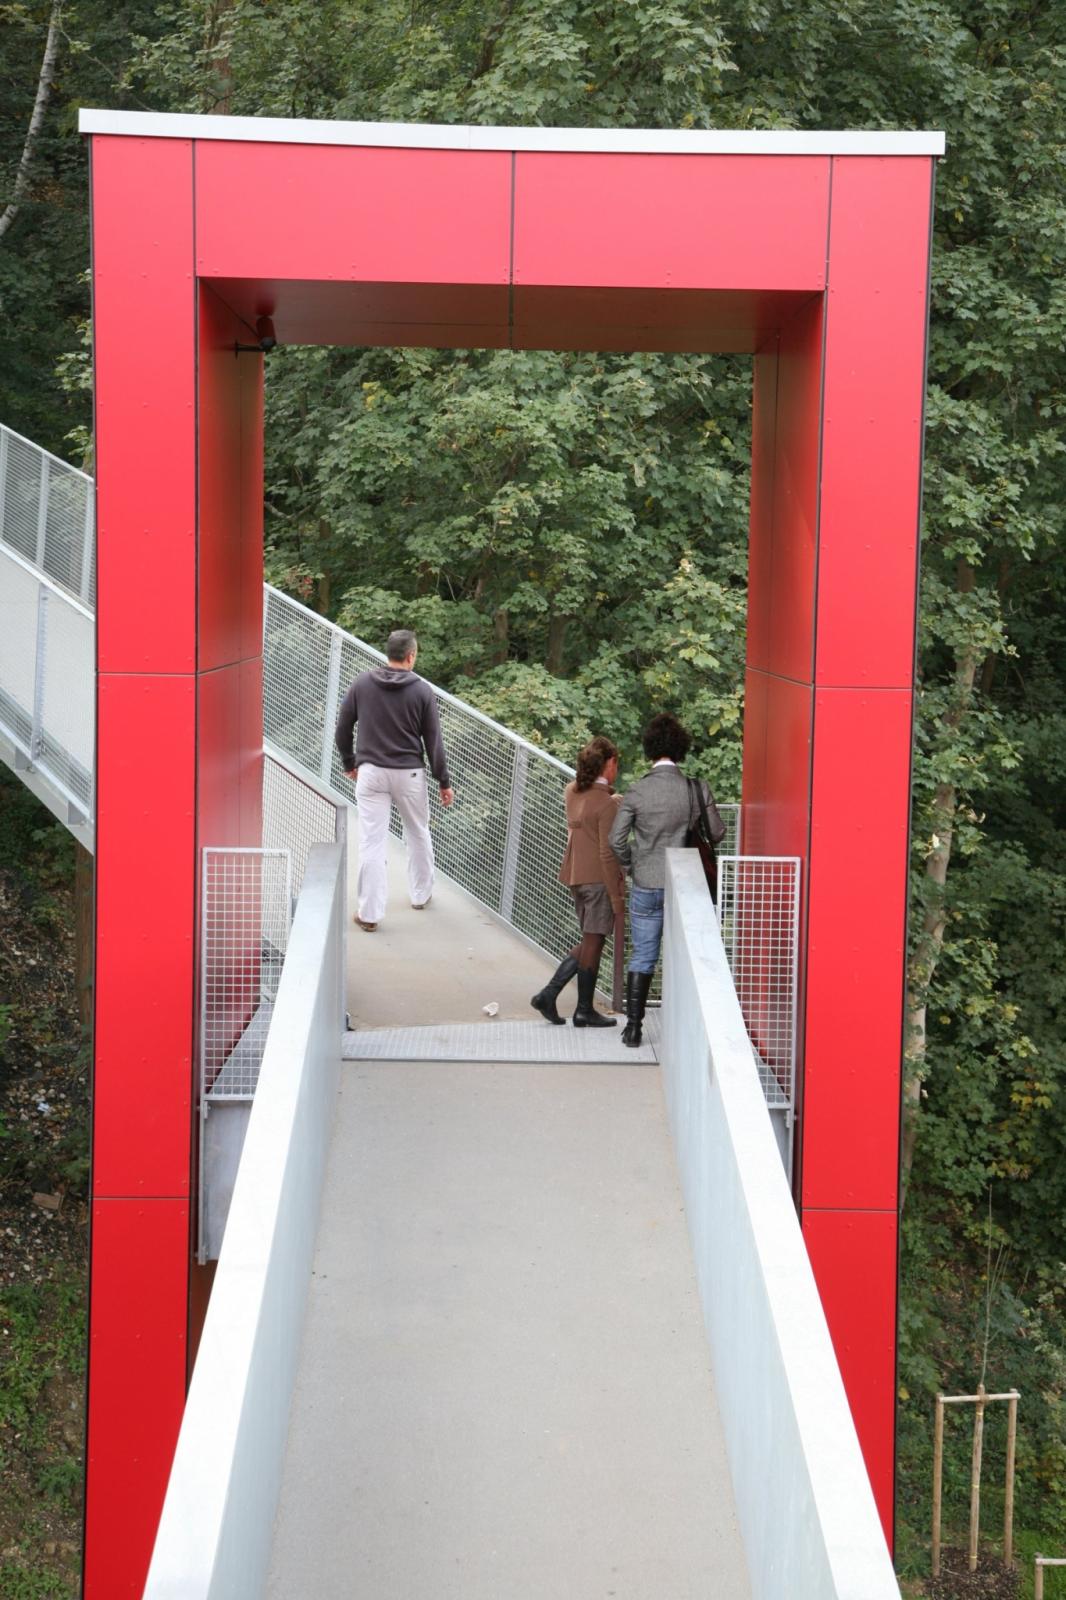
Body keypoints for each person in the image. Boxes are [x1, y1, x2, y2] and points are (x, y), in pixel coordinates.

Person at [608, 712, 725, 1047]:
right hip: (687, 886)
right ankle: (687, 1027)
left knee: (644, 953)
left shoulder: (637, 791)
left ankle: (633, 1028)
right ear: (680, 749)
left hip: (646, 883)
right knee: (687, 954)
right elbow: (716, 833)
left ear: (650, 749)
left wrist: (634, 863)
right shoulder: (695, 788)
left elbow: (616, 840)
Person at [334, 628, 455, 931]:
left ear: (389, 653)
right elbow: (433, 741)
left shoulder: (362, 683)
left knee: (372, 842)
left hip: (371, 772)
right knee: (417, 832)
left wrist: (350, 762)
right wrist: (443, 780)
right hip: (410, 774)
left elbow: (342, 727)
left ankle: (370, 914)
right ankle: (420, 894)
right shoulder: (422, 691)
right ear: (411, 656)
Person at [531, 736, 624, 1029]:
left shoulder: (571, 791)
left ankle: (550, 994)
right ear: (609, 763)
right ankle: (582, 1009)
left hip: (575, 874)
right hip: (598, 879)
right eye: (616, 764)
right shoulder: (607, 805)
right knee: (594, 941)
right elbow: (607, 853)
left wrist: (613, 798)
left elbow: (588, 810)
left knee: (589, 938)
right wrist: (617, 897)